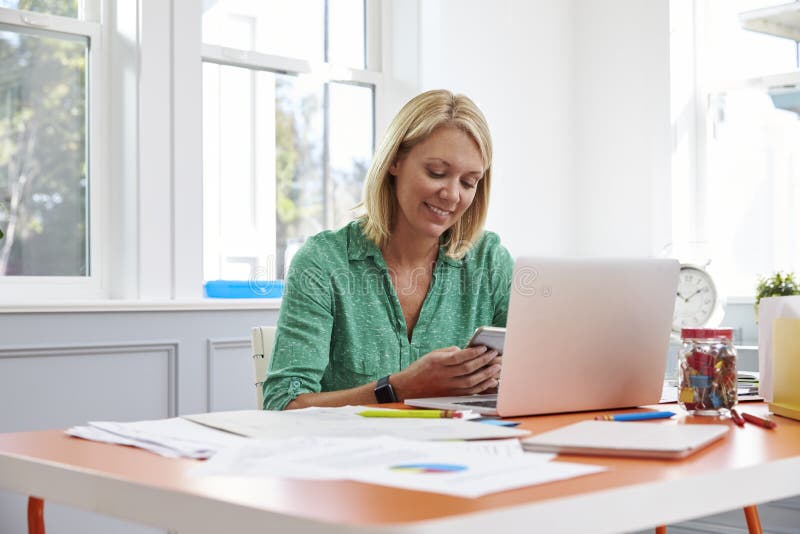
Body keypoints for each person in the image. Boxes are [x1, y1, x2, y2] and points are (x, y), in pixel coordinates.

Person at [262, 89, 513, 410]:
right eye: (437, 172)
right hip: (349, 456)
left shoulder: (490, 261)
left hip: (461, 455)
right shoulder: (322, 262)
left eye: (468, 182)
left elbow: (536, 372)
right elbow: (283, 405)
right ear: (395, 160)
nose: (452, 195)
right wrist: (397, 388)